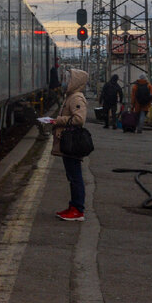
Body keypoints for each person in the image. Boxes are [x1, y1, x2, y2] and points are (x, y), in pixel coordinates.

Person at [50, 68, 90, 221]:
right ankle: (74, 206)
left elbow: (79, 119)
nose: (64, 81)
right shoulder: (71, 96)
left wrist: (57, 121)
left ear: (75, 81)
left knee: (75, 177)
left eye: (68, 78)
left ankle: (78, 210)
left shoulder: (76, 98)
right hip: (69, 142)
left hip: (72, 142)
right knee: (72, 176)